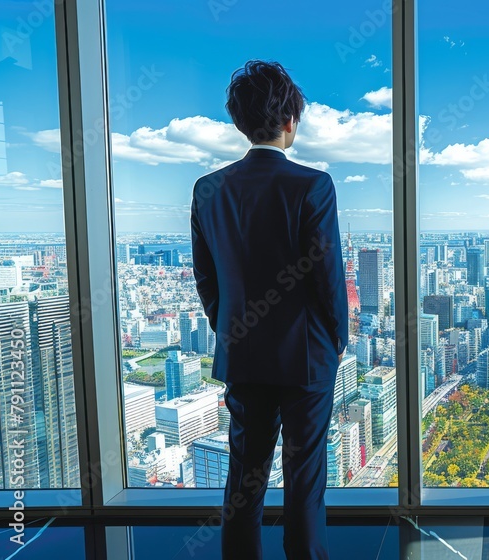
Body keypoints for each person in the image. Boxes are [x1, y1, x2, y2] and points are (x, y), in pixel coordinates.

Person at [191, 60, 348, 560]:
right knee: (305, 480)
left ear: (240, 123)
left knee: (245, 477)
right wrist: (338, 339)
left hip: (243, 353)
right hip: (306, 358)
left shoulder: (208, 189)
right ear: (290, 121)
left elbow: (206, 279)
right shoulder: (312, 185)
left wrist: (230, 329)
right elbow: (328, 279)